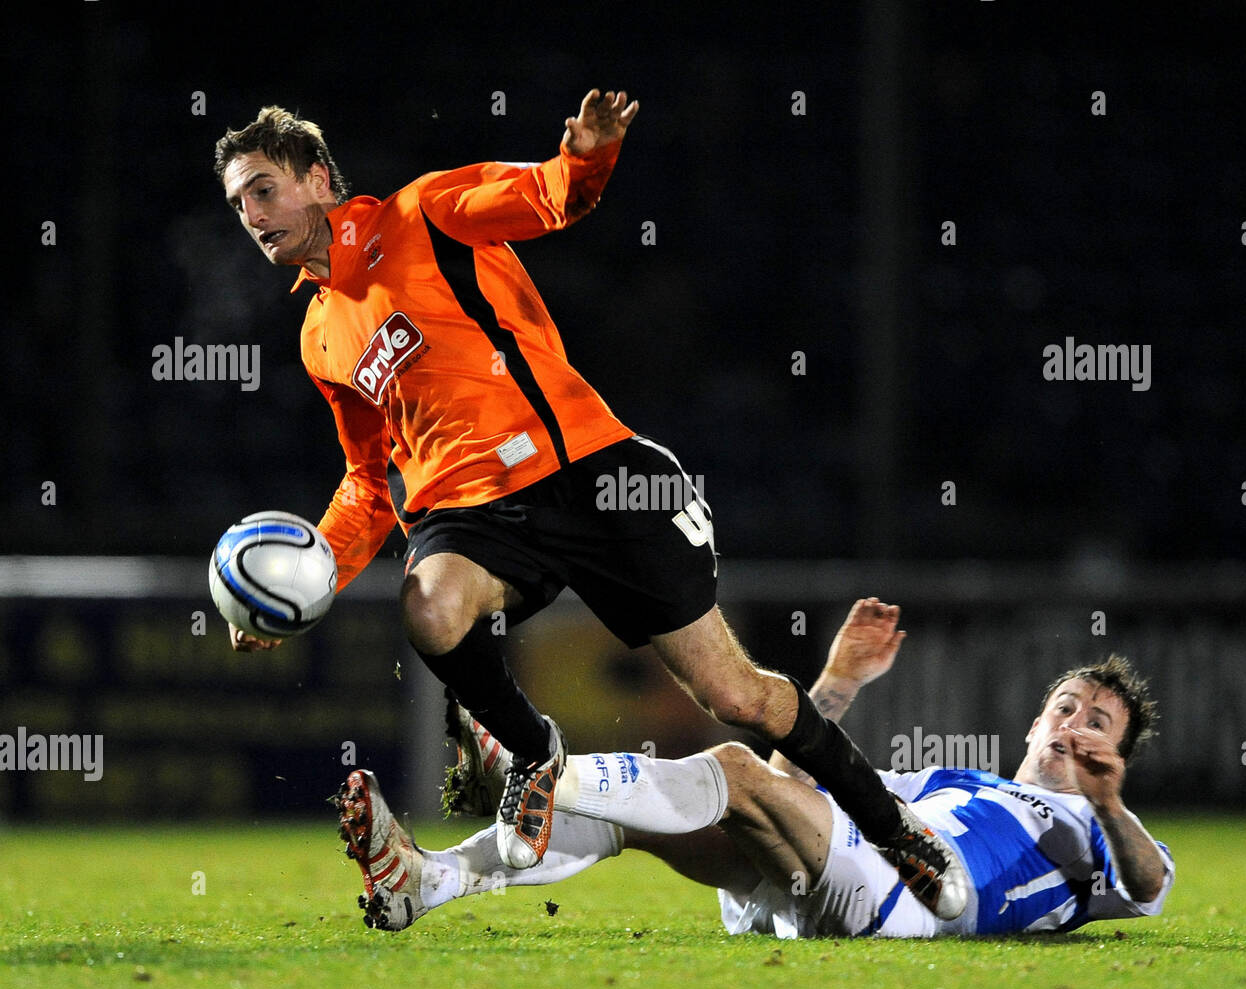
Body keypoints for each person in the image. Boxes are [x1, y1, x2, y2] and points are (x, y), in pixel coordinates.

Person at [214, 91, 965, 919]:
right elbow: (367, 479)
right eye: (239, 201)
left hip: (587, 472)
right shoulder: (319, 337)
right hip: (468, 511)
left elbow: (547, 197)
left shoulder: (422, 212)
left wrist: (589, 156)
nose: (251, 214)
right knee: (429, 605)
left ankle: (893, 829)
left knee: (738, 698)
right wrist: (307, 578)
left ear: (318, 178)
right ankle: (534, 754)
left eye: (264, 189)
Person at [335, 598, 1173, 937]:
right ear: (1036, 720)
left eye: (1099, 723)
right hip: (833, 882)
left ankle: (542, 767)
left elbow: (1150, 889)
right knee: (662, 814)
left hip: (918, 905)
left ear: (1117, 757)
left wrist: (1108, 803)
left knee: (728, 771)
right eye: (1067, 706)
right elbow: (795, 788)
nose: (1076, 725)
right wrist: (839, 681)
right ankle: (428, 881)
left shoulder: (1090, 833)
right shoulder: (954, 786)